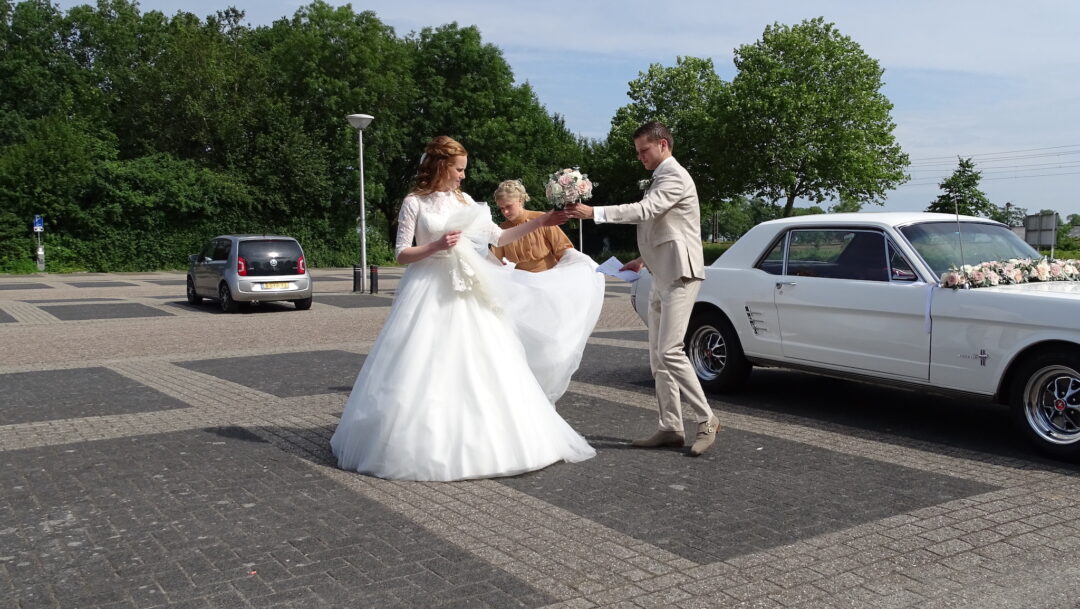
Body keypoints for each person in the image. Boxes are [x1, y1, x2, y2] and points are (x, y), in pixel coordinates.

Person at [330, 135, 596, 481]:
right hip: (428, 288)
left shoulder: (465, 200)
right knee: (422, 362)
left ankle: (495, 439)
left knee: (484, 361)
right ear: (442, 166)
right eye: (459, 169)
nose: (463, 176)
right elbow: (400, 253)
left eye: (464, 170)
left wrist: (542, 221)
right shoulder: (415, 202)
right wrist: (436, 245)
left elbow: (497, 238)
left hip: (469, 288)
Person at [565, 121, 719, 456]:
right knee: (657, 357)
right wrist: (641, 259)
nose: (640, 158)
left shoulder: (674, 175)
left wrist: (594, 212)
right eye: (637, 152)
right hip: (661, 272)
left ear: (663, 145)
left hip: (680, 273)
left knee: (670, 351)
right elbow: (665, 225)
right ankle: (670, 427)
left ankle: (707, 420)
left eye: (643, 151)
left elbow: (645, 211)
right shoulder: (661, 177)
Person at [490, 179, 574, 272]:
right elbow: (494, 261)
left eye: (509, 206)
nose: (505, 212)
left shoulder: (542, 219)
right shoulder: (502, 230)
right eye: (502, 208)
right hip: (518, 282)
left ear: (520, 201)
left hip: (548, 276)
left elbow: (563, 249)